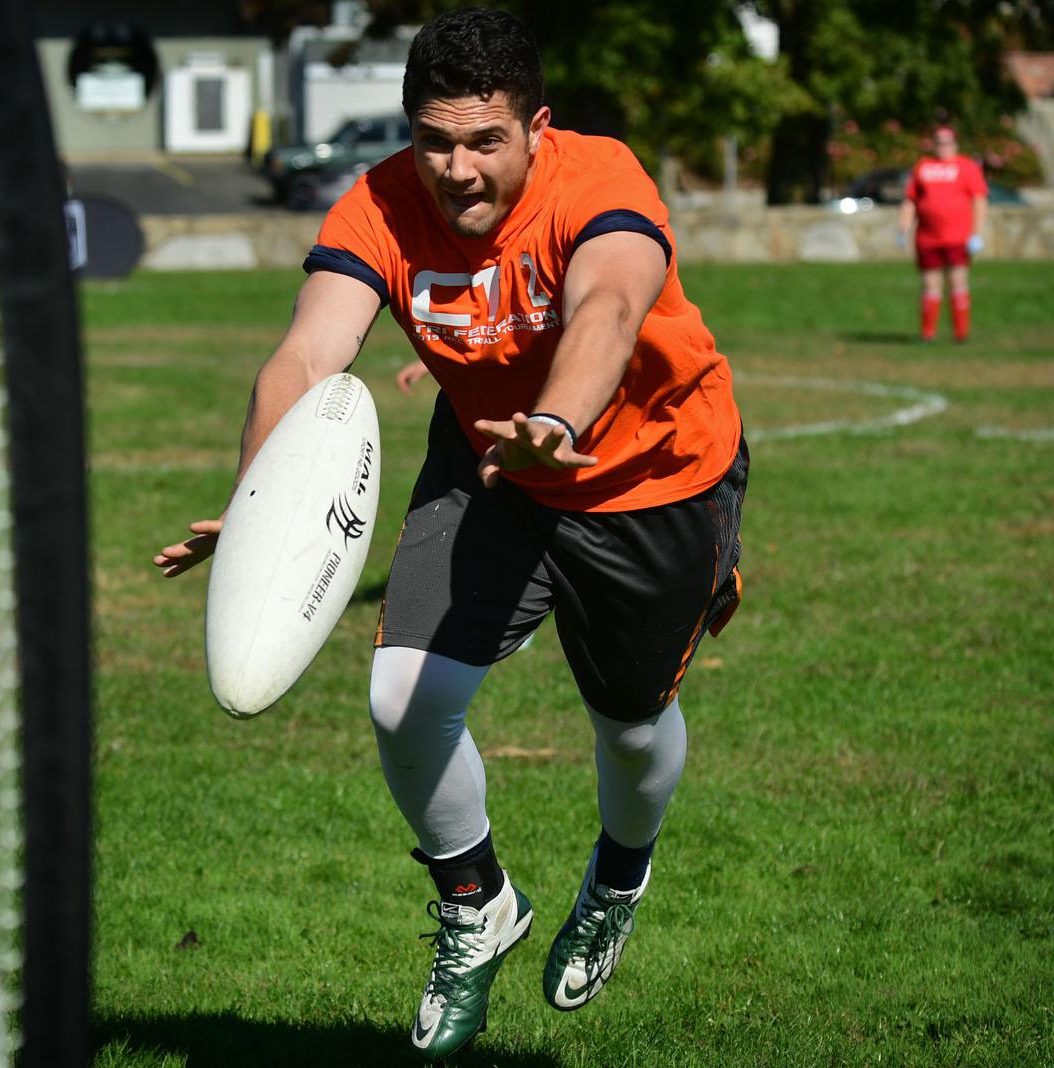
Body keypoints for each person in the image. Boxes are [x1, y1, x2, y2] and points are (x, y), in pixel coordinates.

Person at [153, 9, 746, 1060]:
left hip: (651, 479)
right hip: (486, 472)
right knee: (401, 697)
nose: (457, 170)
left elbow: (608, 311)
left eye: (484, 142)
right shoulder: (381, 203)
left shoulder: (600, 181)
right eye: (434, 141)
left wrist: (555, 424)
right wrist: (259, 502)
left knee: (630, 727)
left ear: (537, 130)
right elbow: (305, 357)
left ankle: (619, 873)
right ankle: (478, 902)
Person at [896, 126, 988, 343]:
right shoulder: (923, 166)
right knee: (930, 285)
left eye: (947, 142)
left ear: (955, 144)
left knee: (958, 282)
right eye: (939, 142)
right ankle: (928, 334)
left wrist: (977, 233)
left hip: (958, 237)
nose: (943, 146)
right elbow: (911, 200)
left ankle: (961, 333)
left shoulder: (966, 166)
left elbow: (979, 200)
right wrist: (903, 228)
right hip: (928, 238)